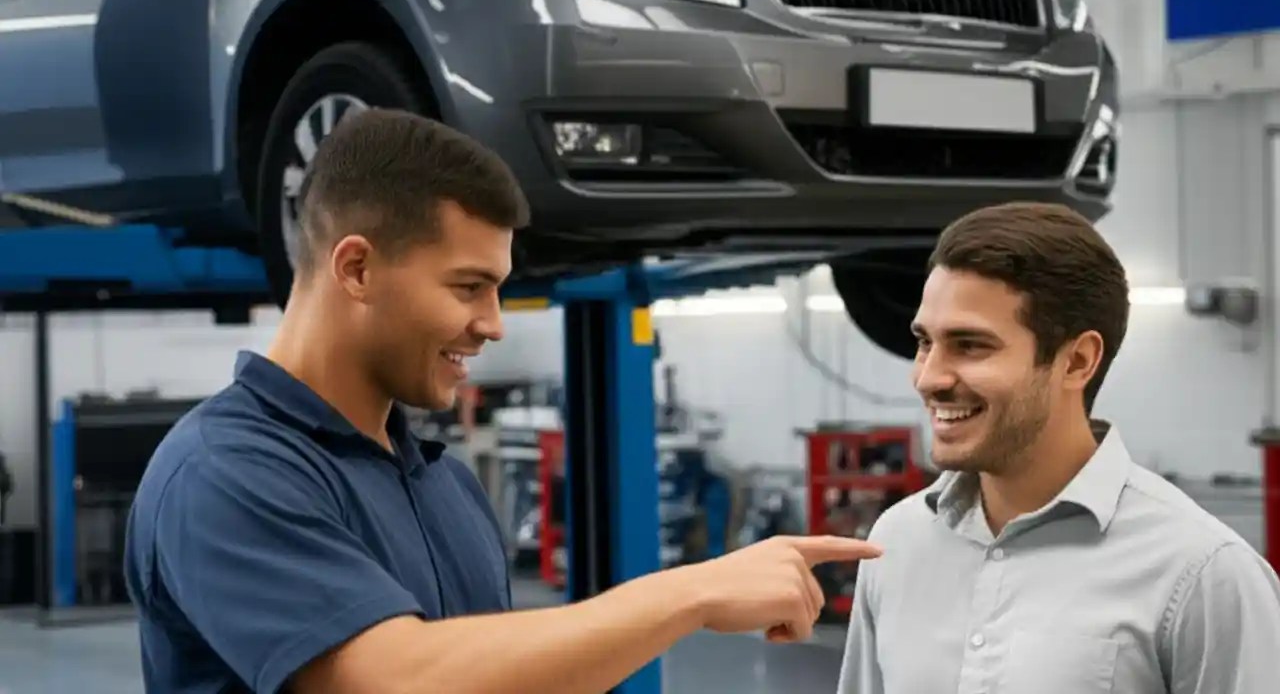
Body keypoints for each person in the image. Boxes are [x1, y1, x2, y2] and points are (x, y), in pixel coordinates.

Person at [122, 108, 882, 694]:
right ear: (355, 267)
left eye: (497, 288)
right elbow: (397, 680)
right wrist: (692, 591)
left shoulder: (441, 481)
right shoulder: (225, 473)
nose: (490, 323)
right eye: (468, 286)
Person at [837, 202, 1280, 694]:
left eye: (971, 345)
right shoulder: (896, 543)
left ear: (1077, 362)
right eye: (925, 342)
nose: (929, 377)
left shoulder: (1202, 575)